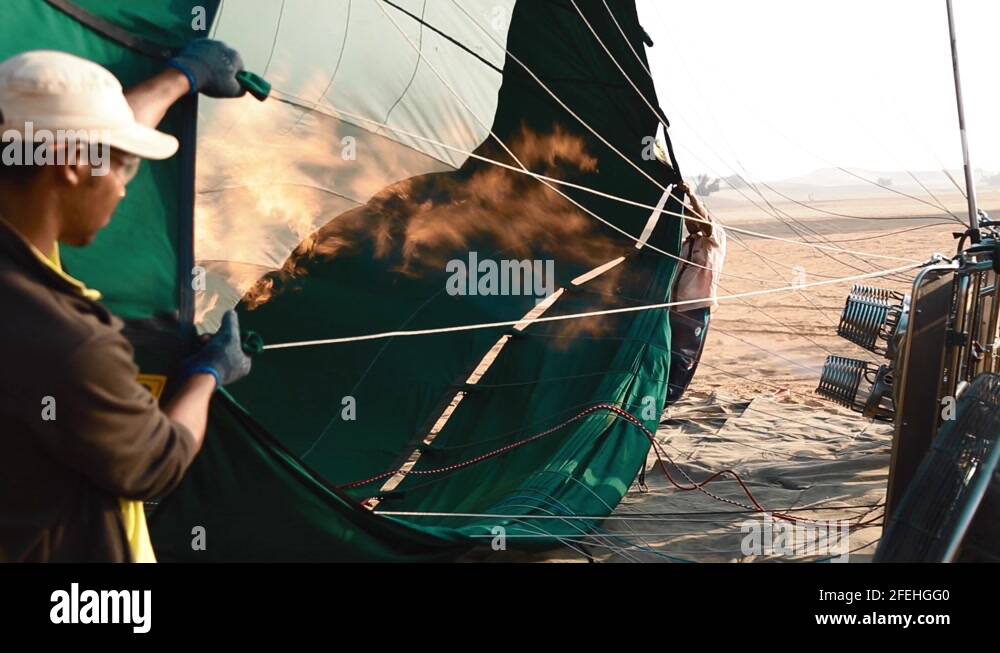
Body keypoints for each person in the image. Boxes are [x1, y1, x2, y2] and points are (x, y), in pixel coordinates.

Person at [0, 41, 252, 562]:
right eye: (124, 167)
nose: (122, 188)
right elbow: (159, 461)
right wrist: (209, 373)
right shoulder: (71, 343)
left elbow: (71, 144)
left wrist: (182, 77)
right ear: (71, 165)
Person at [665, 180, 727, 405]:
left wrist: (691, 195)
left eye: (692, 215)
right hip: (674, 307)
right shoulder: (685, 243)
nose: (689, 220)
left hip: (695, 307)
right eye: (686, 216)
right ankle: (661, 391)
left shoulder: (714, 239)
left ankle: (670, 398)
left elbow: (705, 222)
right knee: (668, 351)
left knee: (684, 355)